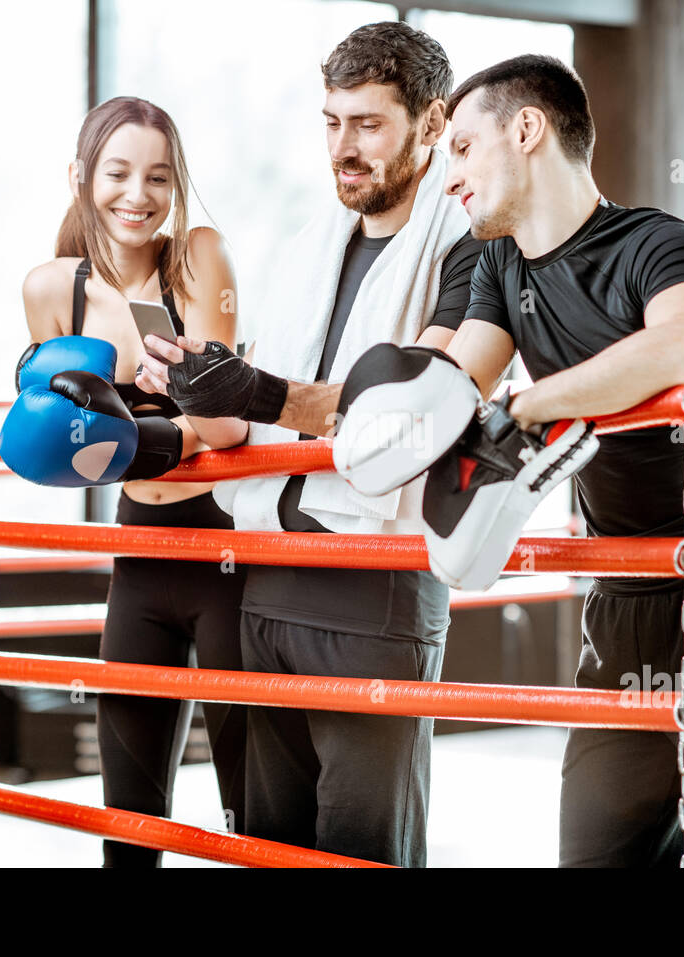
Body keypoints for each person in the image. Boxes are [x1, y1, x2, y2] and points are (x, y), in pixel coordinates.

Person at [136, 22, 484, 867]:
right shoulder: (306, 247)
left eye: (367, 124)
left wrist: (257, 390)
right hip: (265, 570)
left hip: (376, 580)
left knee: (364, 845)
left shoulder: (472, 249)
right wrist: (195, 383)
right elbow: (265, 390)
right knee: (270, 843)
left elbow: (420, 402)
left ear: (432, 126)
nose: (343, 147)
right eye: (331, 122)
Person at [432, 55, 684, 867]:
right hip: (624, 604)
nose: (448, 174)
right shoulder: (499, 264)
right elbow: (457, 383)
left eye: (462, 147)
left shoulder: (657, 242)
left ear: (526, 128)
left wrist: (532, 404)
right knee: (599, 854)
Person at [17, 96, 248, 867]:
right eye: (117, 173)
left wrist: (146, 413)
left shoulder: (198, 257)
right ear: (82, 176)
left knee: (253, 807)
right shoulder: (52, 288)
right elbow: (58, 444)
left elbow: (228, 426)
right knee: (130, 820)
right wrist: (138, 429)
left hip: (225, 553)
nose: (137, 195)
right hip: (139, 555)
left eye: (156, 176)